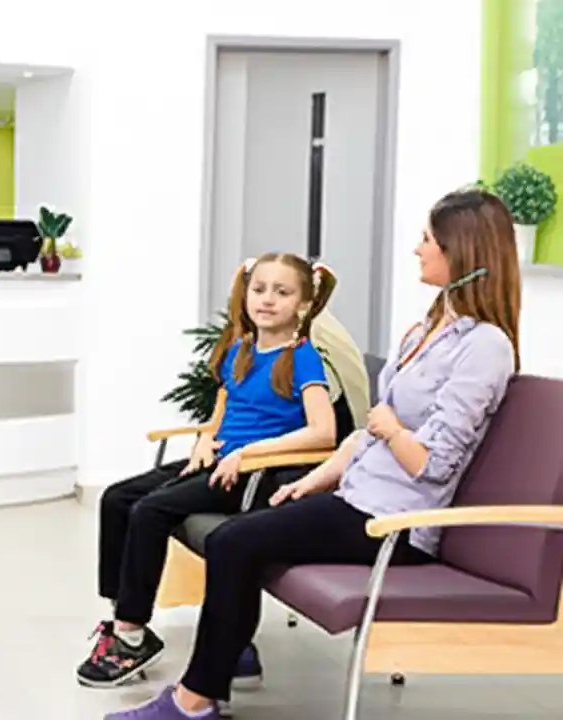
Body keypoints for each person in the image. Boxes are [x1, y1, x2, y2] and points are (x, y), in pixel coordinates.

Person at [107, 188, 521, 720]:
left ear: (461, 252)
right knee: (233, 536)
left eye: (427, 240)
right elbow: (362, 436)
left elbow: (431, 463)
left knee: (234, 541)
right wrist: (316, 479)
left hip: (394, 522)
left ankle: (193, 702)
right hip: (355, 495)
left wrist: (391, 427)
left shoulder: (485, 346)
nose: (418, 249)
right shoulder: (427, 329)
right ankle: (217, 672)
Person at [80, 253, 339, 690]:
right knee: (117, 498)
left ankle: (130, 634)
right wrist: (206, 437)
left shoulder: (303, 359)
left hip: (251, 475)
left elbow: (324, 433)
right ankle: (122, 614)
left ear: (302, 304)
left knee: (150, 510)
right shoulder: (241, 349)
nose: (267, 300)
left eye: (282, 292)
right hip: (219, 459)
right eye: (259, 289)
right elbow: (226, 401)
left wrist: (251, 451)